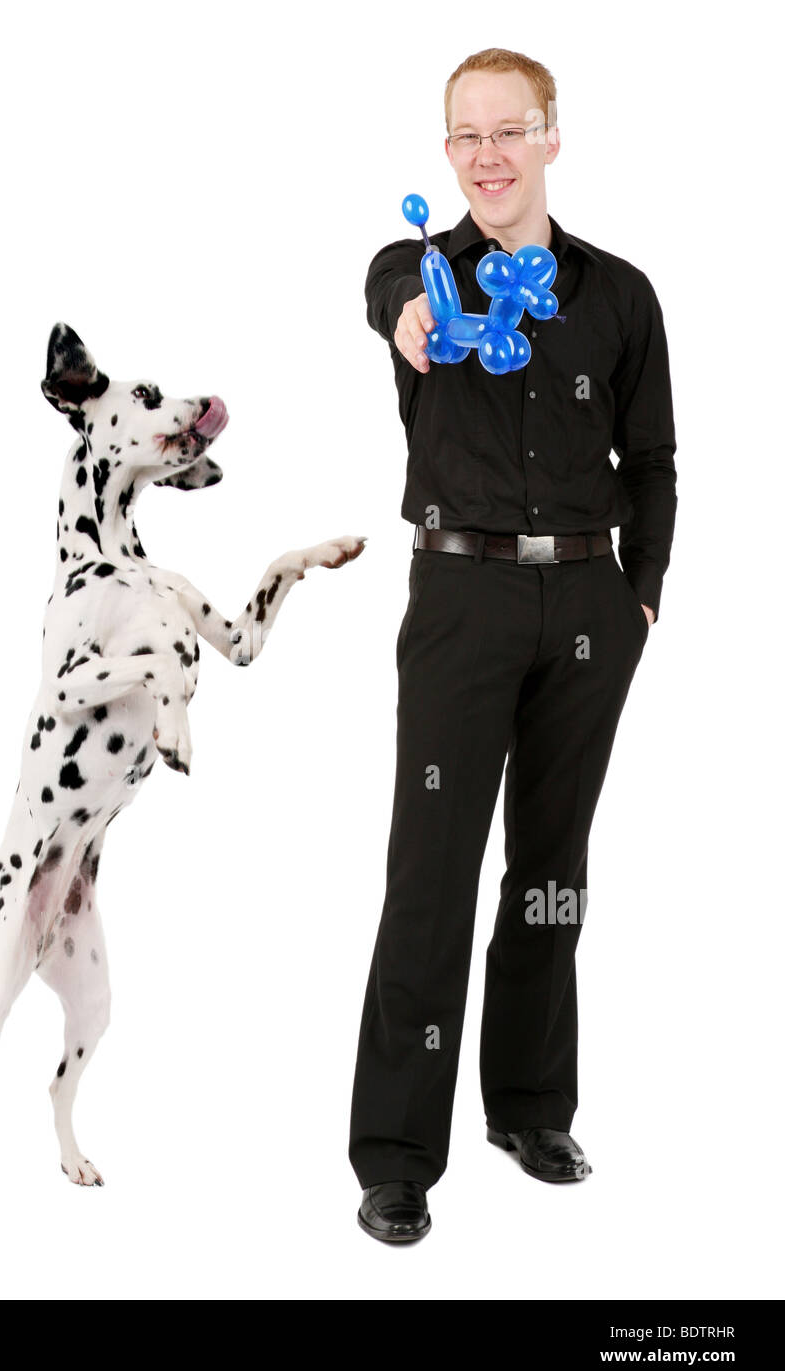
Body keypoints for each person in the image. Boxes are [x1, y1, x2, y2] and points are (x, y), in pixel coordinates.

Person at [349, 47, 676, 1244]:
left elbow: (651, 466)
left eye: (508, 131)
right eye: (463, 137)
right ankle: (395, 1155)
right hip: (460, 601)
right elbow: (388, 283)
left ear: (550, 138)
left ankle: (531, 1106)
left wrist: (640, 599)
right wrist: (410, 312)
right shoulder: (424, 274)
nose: (485, 155)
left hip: (587, 606)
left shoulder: (621, 295)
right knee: (428, 875)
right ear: (448, 155)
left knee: (551, 871)